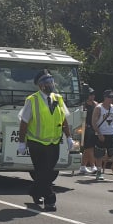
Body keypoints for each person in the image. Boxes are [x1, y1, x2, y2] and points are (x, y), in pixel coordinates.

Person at [17, 71, 72, 211]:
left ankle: (35, 191)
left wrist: (69, 137)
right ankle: (50, 199)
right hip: (36, 142)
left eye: (52, 81)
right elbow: (24, 122)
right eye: (47, 82)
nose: (51, 85)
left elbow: (64, 119)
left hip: (53, 142)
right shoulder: (32, 100)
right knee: (44, 171)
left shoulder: (58, 98)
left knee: (47, 172)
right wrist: (21, 142)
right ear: (41, 85)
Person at [79, 86, 98, 174]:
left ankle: (83, 166)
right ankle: (93, 166)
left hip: (94, 127)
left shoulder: (96, 105)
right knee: (89, 147)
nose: (92, 96)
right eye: (90, 94)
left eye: (93, 94)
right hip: (86, 128)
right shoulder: (83, 105)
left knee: (89, 148)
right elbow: (80, 116)